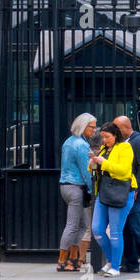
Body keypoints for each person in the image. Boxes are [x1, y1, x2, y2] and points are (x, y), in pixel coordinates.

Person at [89, 122, 137, 278]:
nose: (104, 140)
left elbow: (124, 171)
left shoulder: (125, 147)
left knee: (116, 232)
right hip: (103, 192)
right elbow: (95, 170)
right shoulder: (104, 149)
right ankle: (110, 261)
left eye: (107, 137)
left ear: (115, 135)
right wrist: (92, 164)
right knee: (97, 229)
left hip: (121, 192)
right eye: (102, 137)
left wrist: (104, 163)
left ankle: (115, 266)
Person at [115, 116, 140, 274]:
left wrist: (136, 188)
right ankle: (131, 263)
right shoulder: (123, 143)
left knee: (137, 226)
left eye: (117, 129)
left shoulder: (139, 142)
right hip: (126, 192)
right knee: (126, 228)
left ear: (125, 128)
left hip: (139, 193)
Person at [57, 113, 97, 271]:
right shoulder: (81, 145)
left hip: (66, 186)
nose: (94, 130)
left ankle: (73, 259)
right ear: (83, 126)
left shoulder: (68, 141)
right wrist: (93, 189)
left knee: (83, 225)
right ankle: (62, 261)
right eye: (92, 127)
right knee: (73, 225)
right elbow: (87, 171)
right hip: (76, 188)